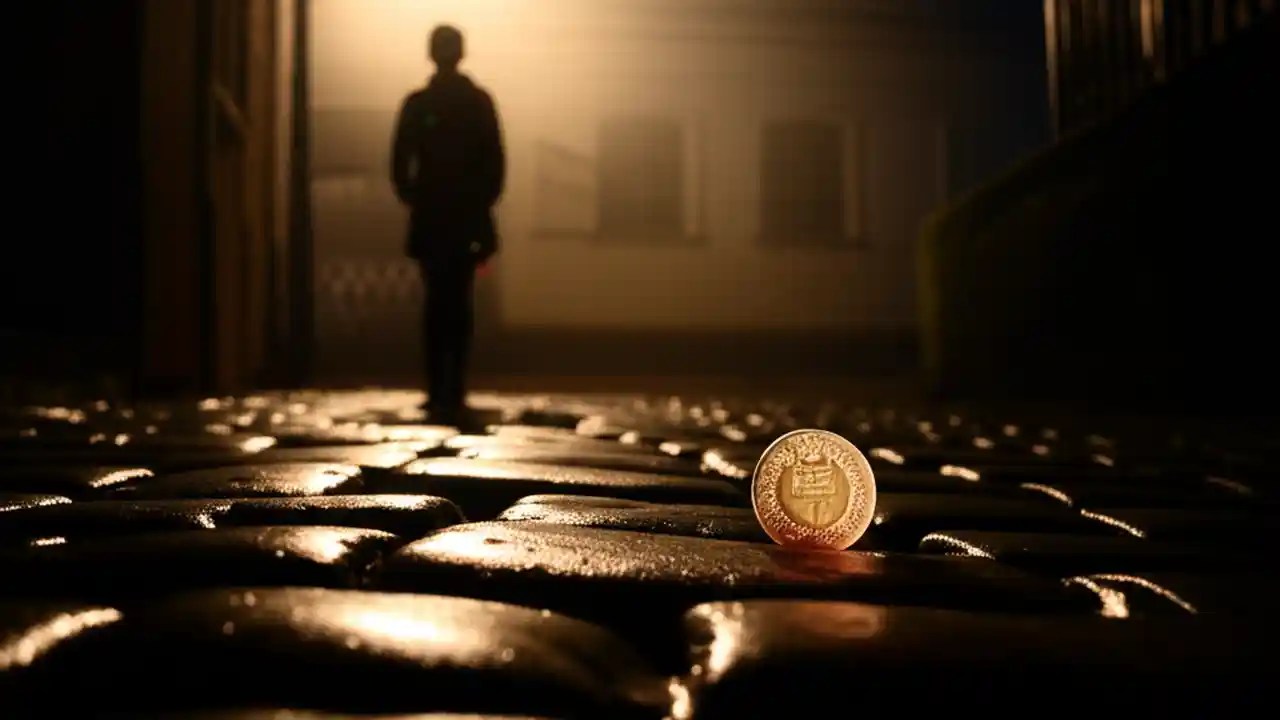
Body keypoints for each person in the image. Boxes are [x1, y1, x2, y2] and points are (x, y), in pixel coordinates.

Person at [391, 24, 504, 425]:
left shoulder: (418, 104)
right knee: (458, 301)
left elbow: (400, 161)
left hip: (436, 214)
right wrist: (481, 205)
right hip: (463, 215)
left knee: (438, 301)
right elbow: (494, 162)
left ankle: (440, 386)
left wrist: (415, 196)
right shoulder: (477, 102)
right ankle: (451, 385)